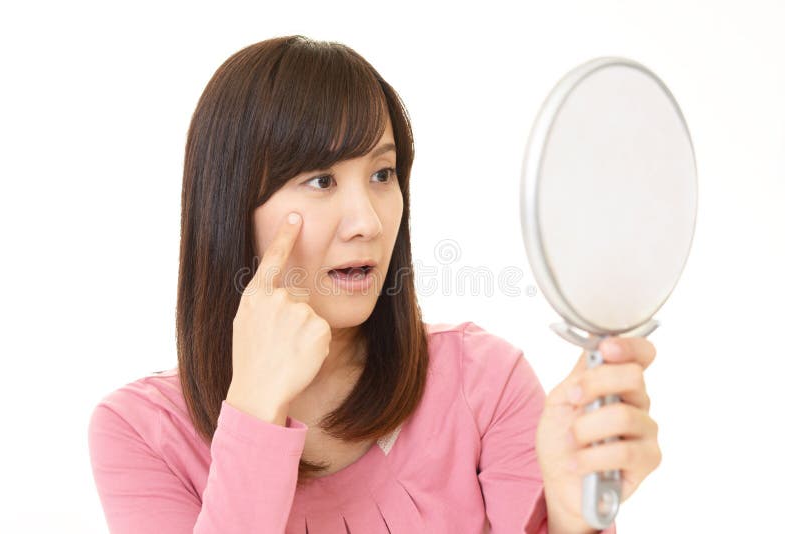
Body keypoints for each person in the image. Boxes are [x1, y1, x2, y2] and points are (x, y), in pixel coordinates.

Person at [87, 35, 661, 533]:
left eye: (383, 174)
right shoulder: (139, 433)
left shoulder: (485, 382)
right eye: (321, 180)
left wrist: (570, 517)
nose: (368, 221)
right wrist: (255, 407)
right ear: (232, 207)